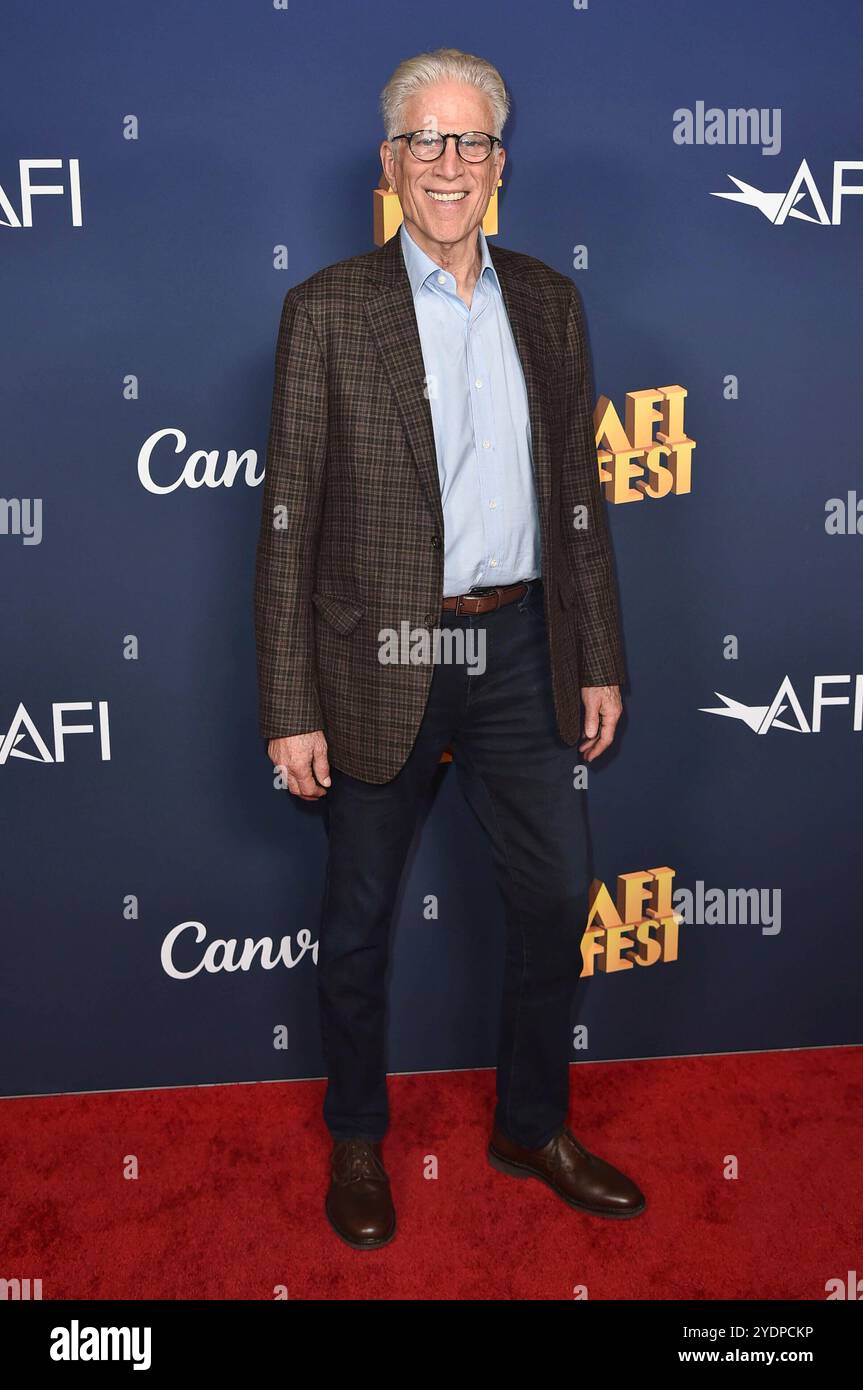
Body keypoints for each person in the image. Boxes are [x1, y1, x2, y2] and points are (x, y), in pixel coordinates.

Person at [254, 46, 645, 1250]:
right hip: (379, 650)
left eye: (469, 142)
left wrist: (596, 655)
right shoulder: (324, 309)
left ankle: (530, 1123)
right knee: (360, 912)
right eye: (424, 141)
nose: (447, 164)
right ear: (389, 163)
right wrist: (288, 700)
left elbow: (576, 495)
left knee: (553, 889)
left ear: (497, 166)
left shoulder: (547, 300)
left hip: (521, 639)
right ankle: (359, 1137)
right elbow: (286, 522)